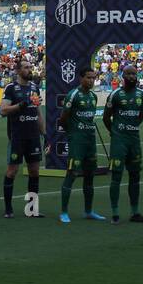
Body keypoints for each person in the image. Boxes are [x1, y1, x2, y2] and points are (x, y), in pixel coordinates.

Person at [56, 66, 104, 223]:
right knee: (72, 173)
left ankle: (88, 211)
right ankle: (63, 212)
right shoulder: (73, 95)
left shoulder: (93, 96)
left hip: (90, 140)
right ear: (81, 78)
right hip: (77, 140)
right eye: (88, 78)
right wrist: (73, 133)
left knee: (90, 175)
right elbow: (63, 119)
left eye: (93, 78)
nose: (91, 81)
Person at [102, 64, 143, 224]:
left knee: (135, 175)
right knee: (116, 176)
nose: (132, 77)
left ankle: (135, 212)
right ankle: (115, 214)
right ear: (123, 76)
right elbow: (106, 118)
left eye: (134, 74)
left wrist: (132, 127)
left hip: (134, 140)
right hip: (119, 141)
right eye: (129, 74)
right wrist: (114, 131)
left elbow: (140, 115)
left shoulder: (142, 95)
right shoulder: (115, 95)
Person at [1, 59, 44, 218]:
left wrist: (44, 134)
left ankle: (32, 209)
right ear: (18, 71)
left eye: (30, 67)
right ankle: (8, 209)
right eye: (26, 68)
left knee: (34, 171)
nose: (29, 70)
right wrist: (21, 105)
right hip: (17, 136)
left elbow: (38, 113)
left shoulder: (35, 88)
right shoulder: (11, 88)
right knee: (12, 171)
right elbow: (3, 111)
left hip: (33, 136)